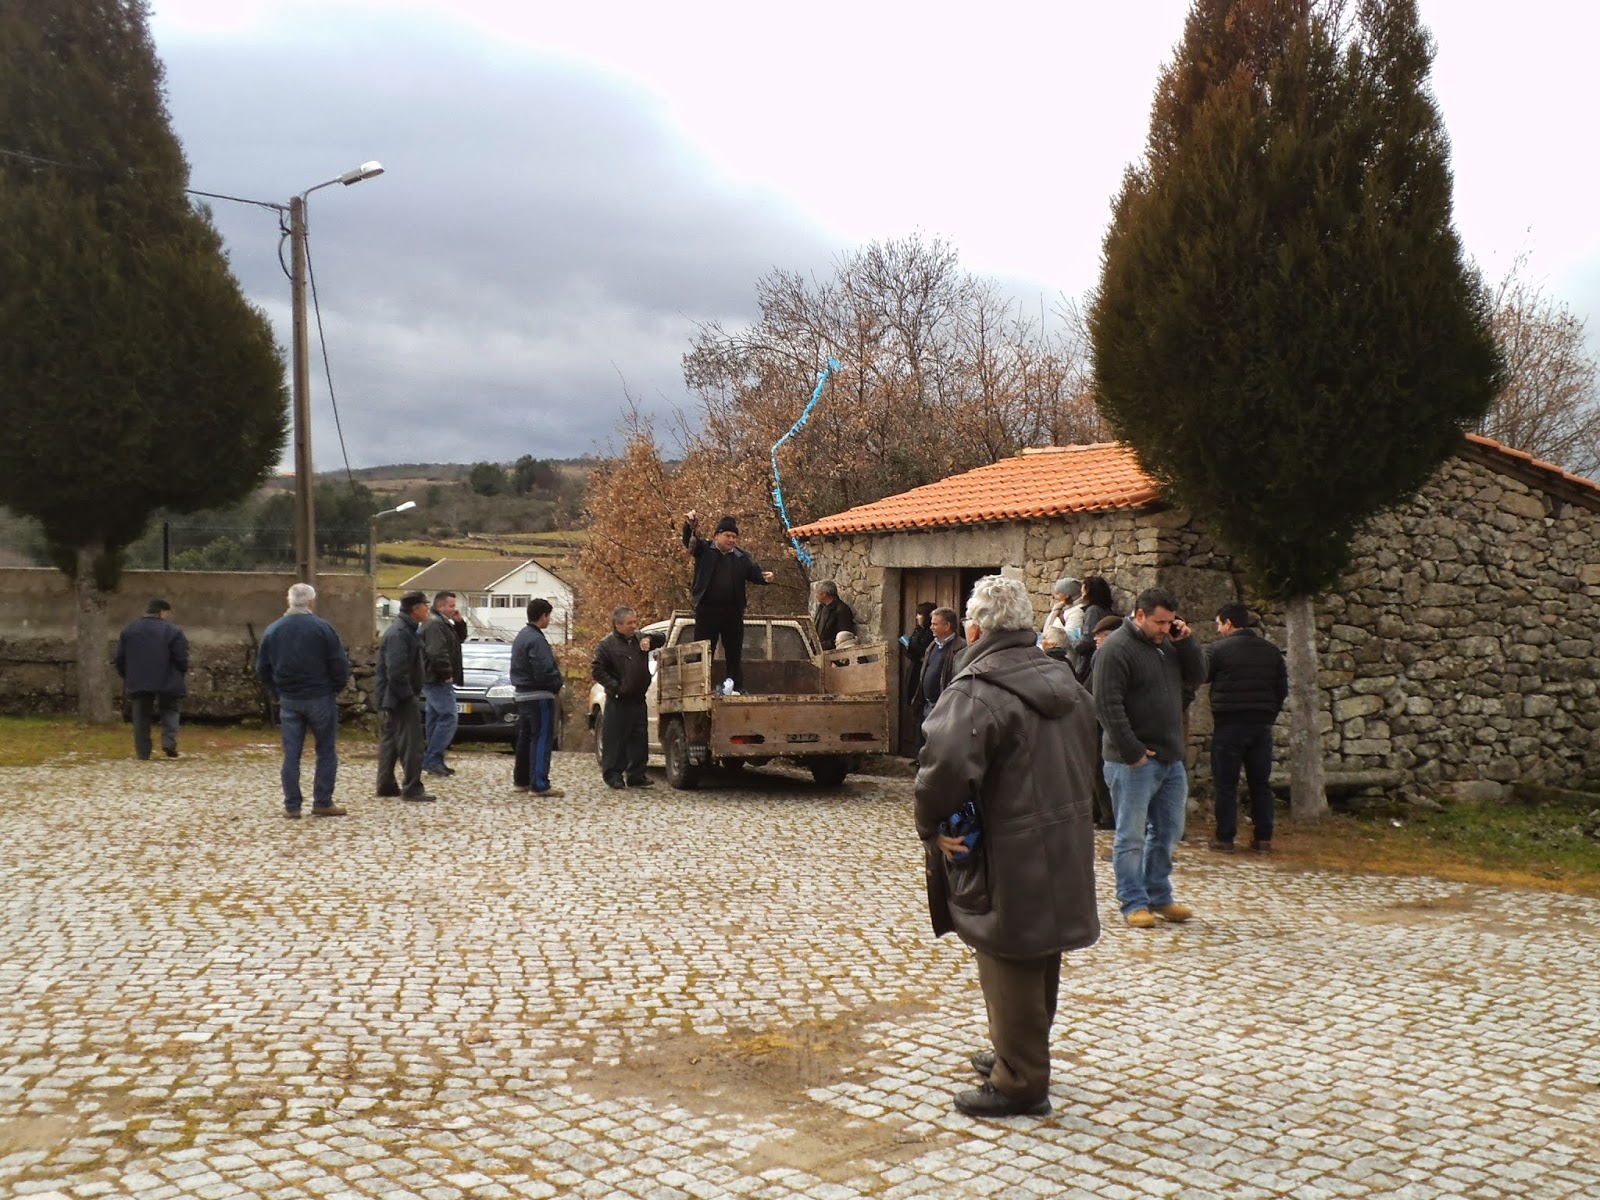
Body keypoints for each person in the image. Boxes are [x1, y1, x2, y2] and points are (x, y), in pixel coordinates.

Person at [914, 575, 1099, 1119]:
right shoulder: (1063, 679)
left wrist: (930, 826)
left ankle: (1020, 1081)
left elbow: (941, 772)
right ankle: (1018, 1053)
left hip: (1009, 843)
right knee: (1040, 951)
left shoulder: (977, 691)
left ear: (974, 627)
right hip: (1061, 834)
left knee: (1008, 954)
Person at [1092, 587, 1206, 929]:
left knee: (1170, 830)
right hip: (1132, 762)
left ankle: (1158, 893)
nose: (1165, 628)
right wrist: (1133, 751)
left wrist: (1186, 642)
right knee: (1131, 835)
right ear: (1139, 615)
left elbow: (1198, 675)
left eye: (1170, 621)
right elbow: (1107, 705)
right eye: (1159, 622)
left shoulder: (1169, 645)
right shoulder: (1115, 650)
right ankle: (1133, 900)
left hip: (1170, 758)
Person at [256, 583, 351, 818]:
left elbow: (262, 668)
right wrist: (335, 687)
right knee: (326, 750)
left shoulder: (273, 630)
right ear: (311, 602)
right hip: (320, 696)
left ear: (289, 601)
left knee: (291, 754)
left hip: (289, 698)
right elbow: (339, 663)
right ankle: (322, 801)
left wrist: (278, 689)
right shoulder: (322, 628)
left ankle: (292, 805)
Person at [1207, 603, 1289, 853]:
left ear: (1229, 623)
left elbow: (1201, 675)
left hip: (1229, 722)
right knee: (1260, 783)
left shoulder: (1218, 650)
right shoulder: (1271, 651)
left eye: (1219, 624)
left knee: (1225, 784)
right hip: (1261, 724)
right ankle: (1263, 837)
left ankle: (1225, 837)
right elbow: (1281, 690)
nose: (1219, 629)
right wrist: (1268, 714)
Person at [681, 510, 773, 692]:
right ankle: (701, 686)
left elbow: (754, 573)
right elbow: (689, 542)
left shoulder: (741, 557)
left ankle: (736, 687)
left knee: (734, 652)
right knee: (704, 650)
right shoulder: (704, 549)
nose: (731, 540)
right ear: (717, 535)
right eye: (728, 536)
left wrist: (765, 578)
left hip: (732, 612)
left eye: (734, 537)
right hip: (707, 611)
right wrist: (689, 525)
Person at [375, 590, 436, 803]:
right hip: (399, 697)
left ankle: (385, 784)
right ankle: (412, 787)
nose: (428, 609)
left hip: (394, 696)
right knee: (412, 742)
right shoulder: (400, 633)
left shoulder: (405, 630)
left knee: (391, 741)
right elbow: (397, 671)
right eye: (424, 606)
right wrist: (408, 696)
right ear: (415, 609)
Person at [114, 598, 189, 760]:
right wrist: (181, 672)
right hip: (168, 677)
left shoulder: (129, 630)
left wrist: (127, 675)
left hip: (139, 679)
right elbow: (181, 657)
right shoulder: (173, 631)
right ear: (162, 612)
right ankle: (169, 742)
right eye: (167, 613)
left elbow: (120, 658)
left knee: (140, 715)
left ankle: (143, 751)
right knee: (170, 710)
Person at [592, 605, 653, 790]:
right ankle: (613, 775)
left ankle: (637, 775)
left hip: (638, 698)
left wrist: (649, 638)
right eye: (629, 623)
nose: (633, 626)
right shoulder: (607, 645)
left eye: (635, 622)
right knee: (616, 740)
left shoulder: (640, 639)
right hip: (618, 699)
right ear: (618, 625)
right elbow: (597, 670)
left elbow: (662, 637)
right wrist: (616, 687)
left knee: (639, 739)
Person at [512, 598, 565, 797]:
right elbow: (544, 670)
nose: (549, 620)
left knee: (525, 738)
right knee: (542, 738)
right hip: (539, 695)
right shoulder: (537, 639)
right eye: (548, 616)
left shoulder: (521, 636)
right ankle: (539, 784)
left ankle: (521, 780)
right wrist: (557, 683)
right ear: (543, 615)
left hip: (522, 694)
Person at [1082, 615, 1126, 830]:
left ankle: (1108, 815)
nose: (1097, 640)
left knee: (1102, 768)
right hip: (1097, 717)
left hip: (1104, 720)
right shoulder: (1101, 656)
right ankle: (1102, 813)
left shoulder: (1109, 657)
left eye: (1101, 636)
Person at [420, 590, 468, 778]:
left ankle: (434, 759)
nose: (454, 609)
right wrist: (446, 673)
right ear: (440, 606)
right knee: (449, 717)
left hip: (434, 678)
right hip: (437, 679)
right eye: (451, 606)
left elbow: (458, 640)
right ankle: (432, 758)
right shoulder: (434, 624)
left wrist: (459, 622)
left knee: (434, 718)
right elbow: (436, 652)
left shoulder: (442, 624)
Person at [911, 606, 962, 720]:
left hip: (945, 710)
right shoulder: (932, 646)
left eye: (935, 624)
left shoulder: (960, 648)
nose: (931, 627)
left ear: (947, 626)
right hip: (927, 708)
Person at [812, 580, 857, 650]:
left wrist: (824, 645)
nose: (815, 595)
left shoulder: (842, 610)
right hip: (819, 650)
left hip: (832, 653)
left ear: (824, 594)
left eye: (817, 592)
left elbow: (844, 636)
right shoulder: (821, 607)